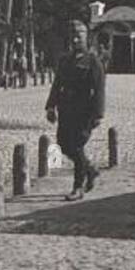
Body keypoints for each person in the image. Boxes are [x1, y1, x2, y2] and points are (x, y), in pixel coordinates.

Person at [45, 20, 106, 201]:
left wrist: (98, 114)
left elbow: (99, 89)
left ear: (86, 37)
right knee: (63, 145)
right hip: (66, 109)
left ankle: (78, 187)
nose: (75, 40)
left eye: (79, 36)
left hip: (83, 111)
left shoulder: (93, 61)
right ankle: (90, 170)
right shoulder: (65, 60)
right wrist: (50, 106)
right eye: (72, 36)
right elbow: (57, 85)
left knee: (77, 146)